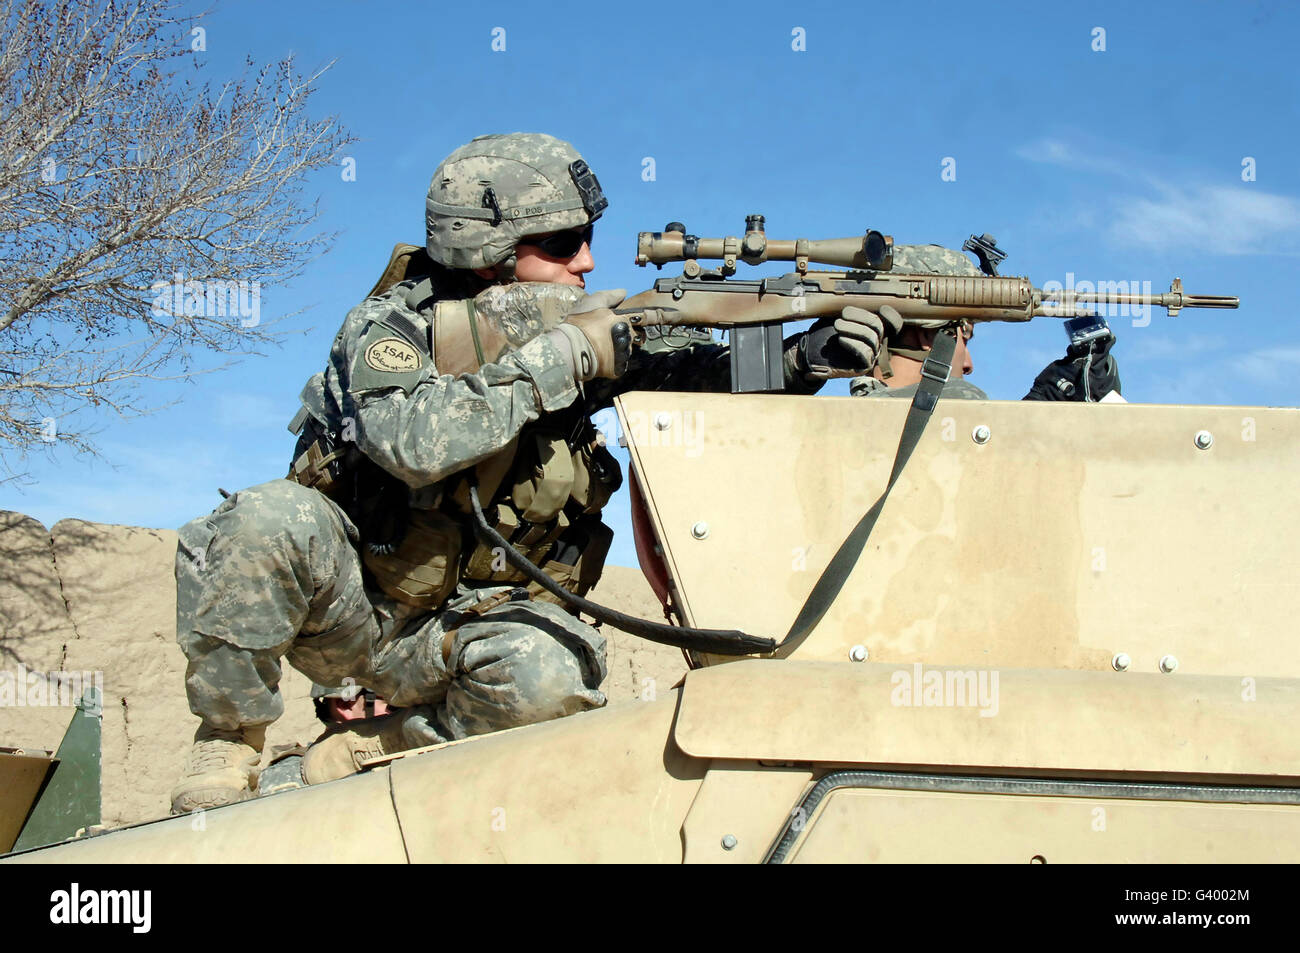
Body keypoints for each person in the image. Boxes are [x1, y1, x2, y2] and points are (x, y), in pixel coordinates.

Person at [169, 132, 896, 812]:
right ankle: (229, 746)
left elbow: (693, 370)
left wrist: (804, 360)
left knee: (552, 680)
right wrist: (565, 358)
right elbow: (412, 440)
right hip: (357, 613)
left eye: (588, 238)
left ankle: (374, 749)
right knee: (265, 518)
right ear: (489, 251)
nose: (585, 261)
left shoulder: (586, 326)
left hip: (481, 627)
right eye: (562, 243)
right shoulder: (391, 328)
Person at [849, 244, 1121, 402]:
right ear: (927, 334)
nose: (968, 364)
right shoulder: (955, 400)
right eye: (964, 338)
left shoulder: (849, 416)